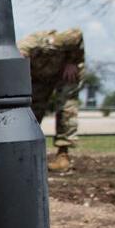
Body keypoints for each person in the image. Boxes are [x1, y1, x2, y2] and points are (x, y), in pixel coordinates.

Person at [19, 28, 85, 172]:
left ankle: (63, 155)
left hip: (66, 73)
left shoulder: (52, 41)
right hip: (40, 77)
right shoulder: (17, 54)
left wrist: (72, 61)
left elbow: (77, 35)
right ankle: (25, 155)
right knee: (30, 112)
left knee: (66, 108)